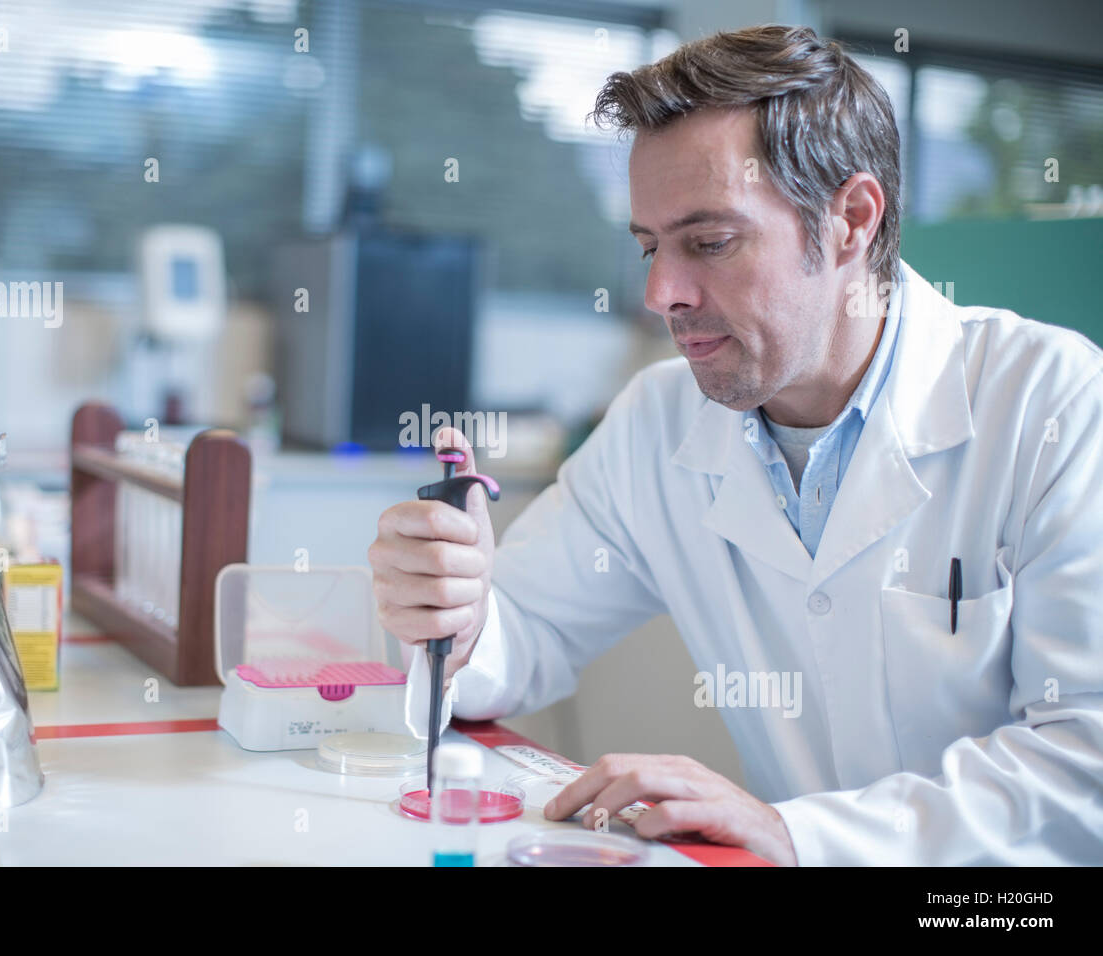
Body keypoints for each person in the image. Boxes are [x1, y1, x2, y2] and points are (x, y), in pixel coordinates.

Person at [367, 25, 1103, 865]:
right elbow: (523, 629)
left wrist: (797, 833)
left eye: (709, 243)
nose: (661, 294)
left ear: (853, 219)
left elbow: (1085, 761)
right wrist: (454, 609)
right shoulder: (658, 422)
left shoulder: (1054, 406)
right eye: (649, 246)